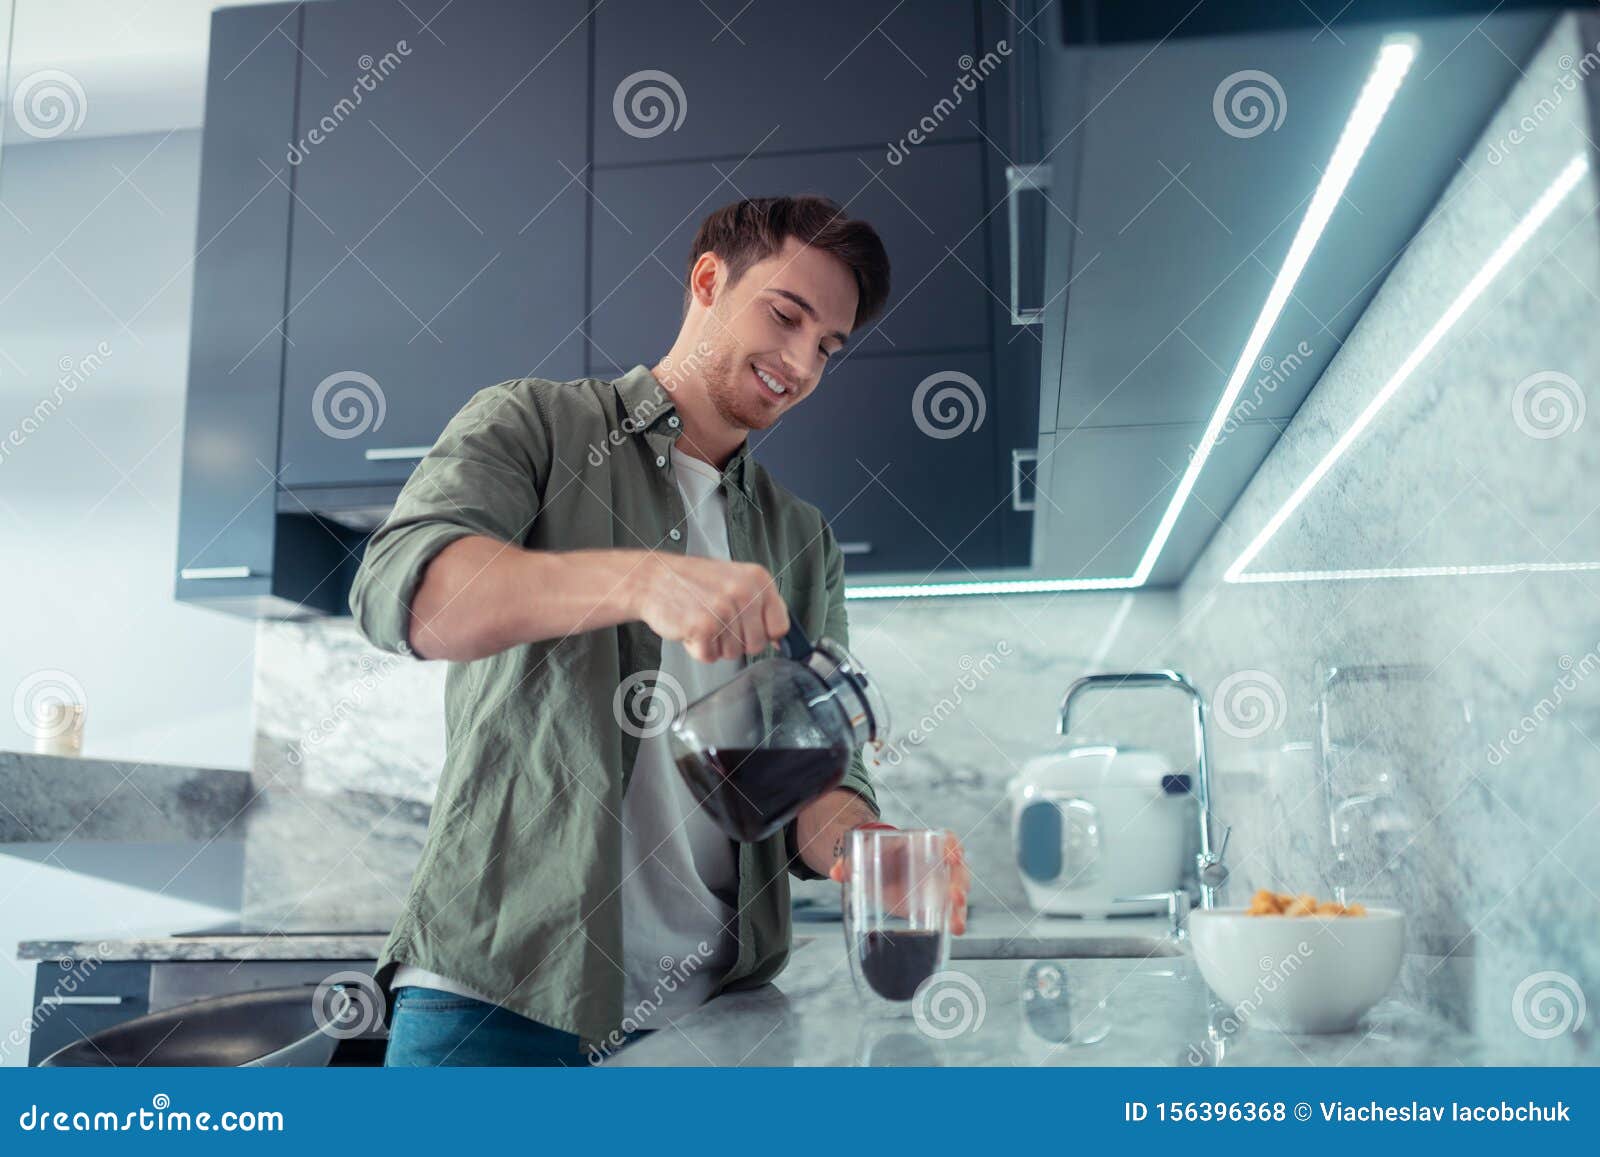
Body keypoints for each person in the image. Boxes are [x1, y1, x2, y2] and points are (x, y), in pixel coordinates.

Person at [350, 195, 970, 1067]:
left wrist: (866, 850)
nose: (799, 363)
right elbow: (406, 595)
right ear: (709, 281)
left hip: (713, 1017)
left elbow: (818, 782)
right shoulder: (536, 425)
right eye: (785, 316)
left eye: (828, 348)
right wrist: (639, 577)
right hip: (497, 998)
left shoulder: (802, 539)